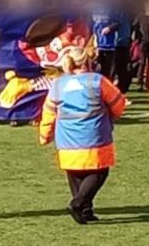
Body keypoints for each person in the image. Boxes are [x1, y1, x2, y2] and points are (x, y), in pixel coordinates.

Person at [39, 53, 126, 224]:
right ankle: (78, 204)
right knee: (99, 172)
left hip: (67, 138)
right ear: (88, 61)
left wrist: (45, 135)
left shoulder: (58, 84)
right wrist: (114, 114)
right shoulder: (97, 81)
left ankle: (85, 210)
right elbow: (118, 103)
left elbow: (48, 112)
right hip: (94, 135)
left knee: (75, 172)